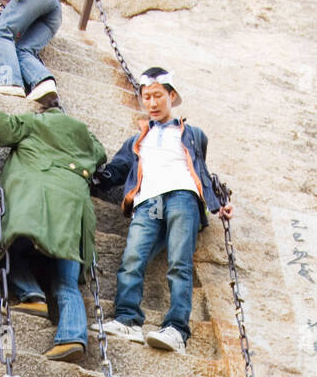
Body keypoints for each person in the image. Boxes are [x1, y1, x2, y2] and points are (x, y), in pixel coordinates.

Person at [90, 67, 233, 357]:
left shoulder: (193, 134)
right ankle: (127, 319)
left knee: (179, 263)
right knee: (132, 257)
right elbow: (117, 169)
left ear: (172, 96)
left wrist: (219, 202)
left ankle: (177, 329)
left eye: (158, 96)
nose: (152, 103)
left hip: (183, 197)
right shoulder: (136, 140)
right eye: (147, 97)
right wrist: (91, 178)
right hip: (147, 202)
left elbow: (201, 169)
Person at [0, 102, 106, 361]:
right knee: (65, 280)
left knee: (10, 249)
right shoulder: (88, 140)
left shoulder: (35, 123)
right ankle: (72, 336)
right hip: (75, 210)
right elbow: (100, 155)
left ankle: (31, 294)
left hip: (38, 201)